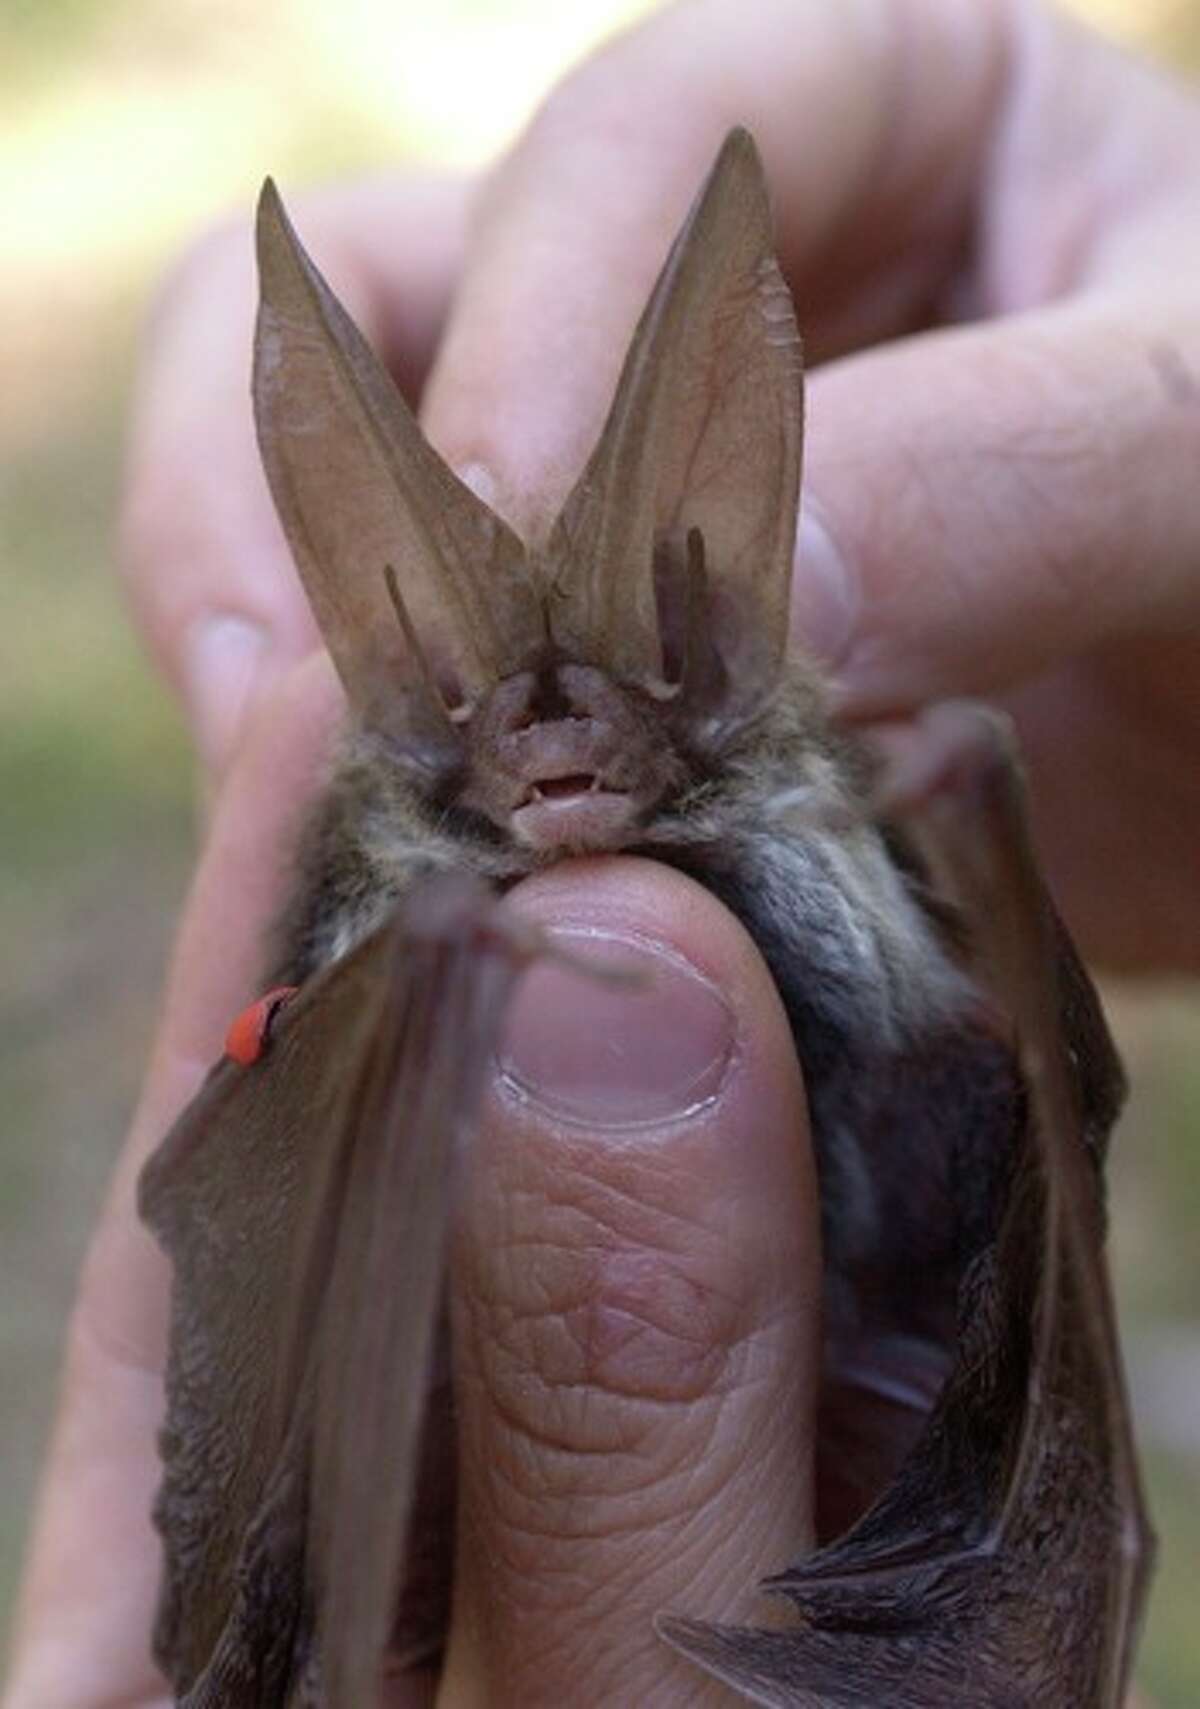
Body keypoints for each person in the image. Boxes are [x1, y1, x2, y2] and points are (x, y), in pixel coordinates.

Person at [6, 0, 1198, 1702]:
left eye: (607, 721)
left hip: (863, 1281)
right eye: (507, 736)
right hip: (428, 1345)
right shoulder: (388, 888)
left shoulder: (844, 803)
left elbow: (959, 1012)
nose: (560, 770)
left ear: (709, 681)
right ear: (424, 733)